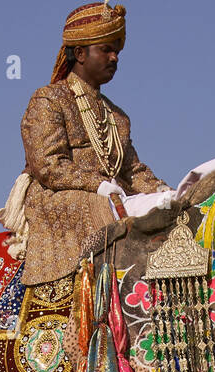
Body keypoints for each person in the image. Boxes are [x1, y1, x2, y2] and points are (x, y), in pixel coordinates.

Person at [13, 2, 173, 286]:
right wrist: (97, 185)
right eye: (106, 50)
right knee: (102, 208)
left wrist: (165, 191)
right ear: (80, 53)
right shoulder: (49, 99)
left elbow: (133, 172)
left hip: (112, 197)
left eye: (117, 52)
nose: (114, 58)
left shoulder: (117, 116)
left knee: (168, 213)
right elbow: (47, 165)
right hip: (61, 195)